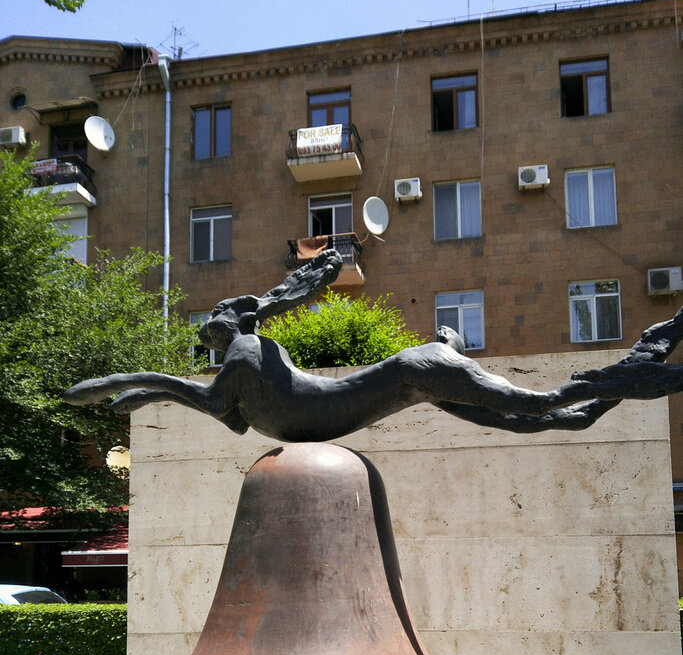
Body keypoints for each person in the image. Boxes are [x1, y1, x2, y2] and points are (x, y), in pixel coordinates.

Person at [64, 250, 683, 443]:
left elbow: (212, 408)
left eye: (211, 332)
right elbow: (235, 423)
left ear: (227, 328)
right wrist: (141, 389)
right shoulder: (254, 356)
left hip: (411, 369)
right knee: (540, 421)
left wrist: (145, 383)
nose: (210, 340)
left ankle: (642, 367)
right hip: (406, 377)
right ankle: (650, 356)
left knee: (535, 404)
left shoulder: (247, 355)